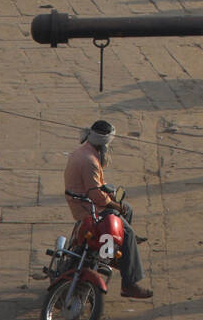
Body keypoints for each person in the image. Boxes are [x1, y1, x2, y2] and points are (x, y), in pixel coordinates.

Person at [64, 120, 152, 300]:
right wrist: (114, 204)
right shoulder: (90, 161)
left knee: (127, 209)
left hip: (83, 201)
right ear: (103, 144)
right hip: (88, 208)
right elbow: (95, 195)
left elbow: (94, 186)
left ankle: (114, 251)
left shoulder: (82, 152)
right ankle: (129, 283)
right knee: (127, 232)